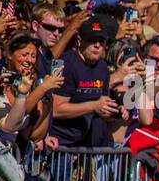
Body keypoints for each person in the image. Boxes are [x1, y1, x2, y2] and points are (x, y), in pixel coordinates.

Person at [48, 15, 124, 148]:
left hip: (84, 142)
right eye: (92, 40)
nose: (97, 45)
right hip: (57, 142)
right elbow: (55, 109)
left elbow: (101, 107)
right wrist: (94, 106)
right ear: (79, 40)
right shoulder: (67, 64)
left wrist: (115, 112)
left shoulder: (102, 68)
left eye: (101, 41)